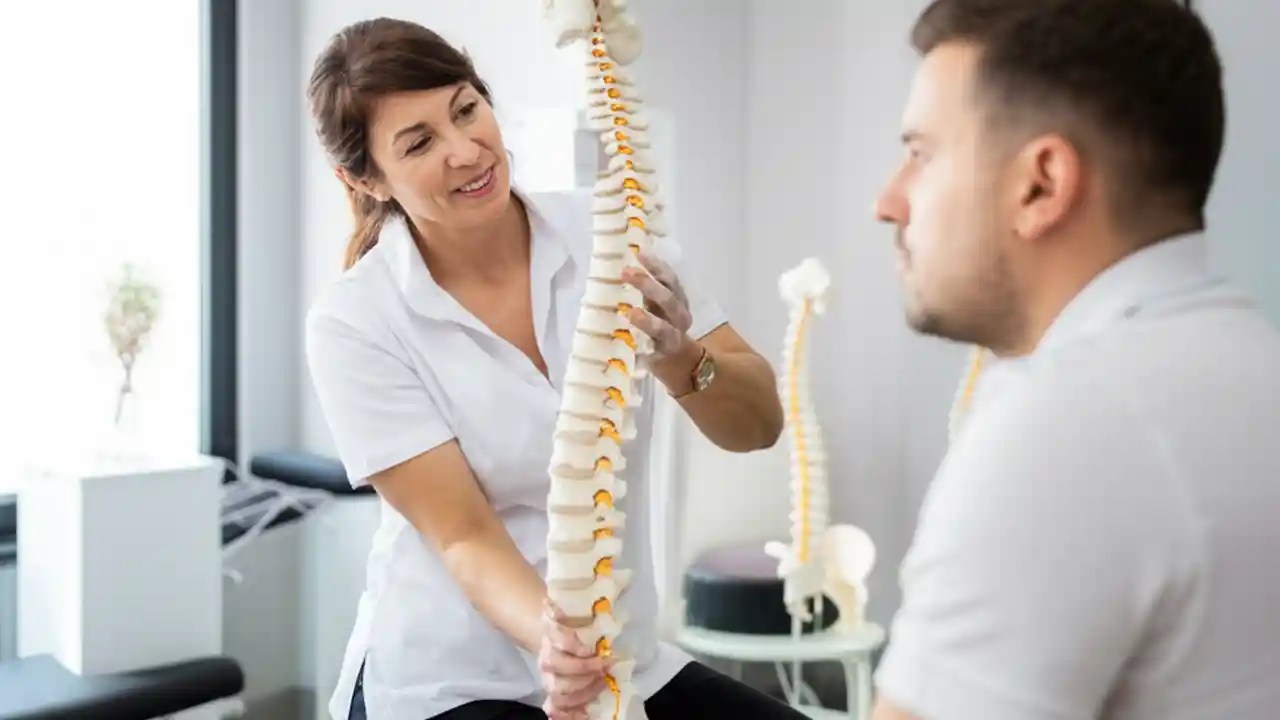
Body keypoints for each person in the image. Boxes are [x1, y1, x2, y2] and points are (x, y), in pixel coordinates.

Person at [303, 17, 807, 720]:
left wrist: (681, 358)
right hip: (450, 680)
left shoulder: (619, 237)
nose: (466, 150)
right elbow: (464, 535)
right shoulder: (356, 321)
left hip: (625, 661)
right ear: (364, 178)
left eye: (466, 109)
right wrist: (555, 641)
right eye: (419, 143)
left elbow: (759, 426)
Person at [869, 0, 1280, 718]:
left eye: (922, 154)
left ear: (1042, 184)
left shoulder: (1064, 430)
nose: (890, 202)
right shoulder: (1254, 368)